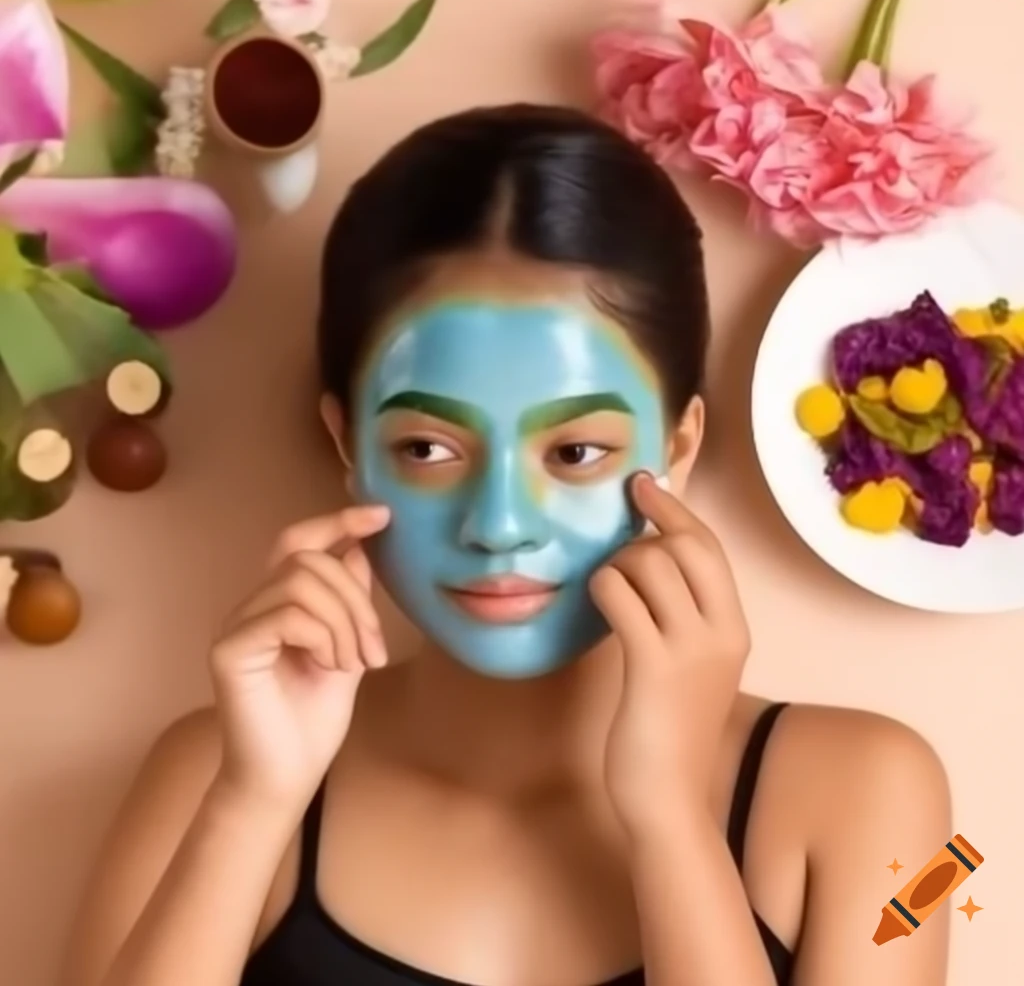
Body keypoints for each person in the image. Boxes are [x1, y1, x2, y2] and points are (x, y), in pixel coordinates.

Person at [60, 104, 952, 986]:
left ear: (675, 445)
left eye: (575, 452)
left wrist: (671, 816)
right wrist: (251, 808)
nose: (498, 523)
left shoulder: (869, 794)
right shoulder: (217, 771)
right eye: (427, 450)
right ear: (347, 445)